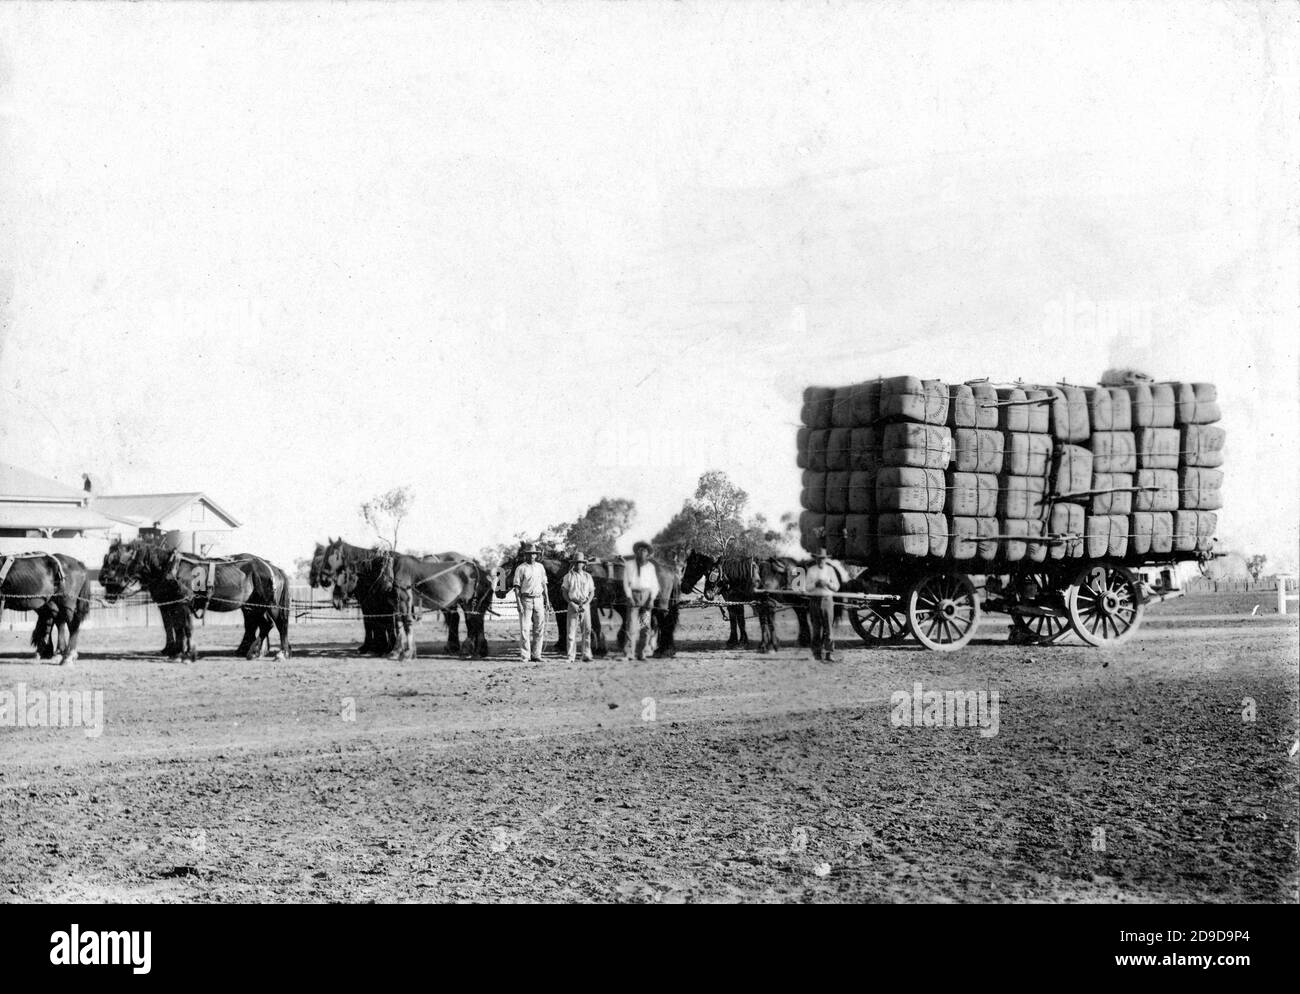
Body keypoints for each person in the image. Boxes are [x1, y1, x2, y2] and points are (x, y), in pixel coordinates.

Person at [622, 541, 660, 661]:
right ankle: (629, 653)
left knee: (645, 627)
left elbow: (655, 585)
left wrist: (651, 599)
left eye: (644, 551)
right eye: (639, 550)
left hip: (646, 596)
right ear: (636, 552)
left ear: (647, 553)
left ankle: (642, 652)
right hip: (633, 595)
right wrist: (629, 597)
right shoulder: (629, 565)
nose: (642, 552)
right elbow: (626, 583)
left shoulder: (650, 567)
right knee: (631, 626)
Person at [511, 542, 549, 662]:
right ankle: (525, 655)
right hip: (526, 600)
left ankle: (536, 654)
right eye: (529, 554)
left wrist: (547, 600)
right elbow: (516, 587)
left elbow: (544, 584)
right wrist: (518, 603)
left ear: (536, 555)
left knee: (539, 628)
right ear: (525, 555)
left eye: (533, 554)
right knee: (525, 629)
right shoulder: (521, 568)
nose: (531, 556)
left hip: (539, 599)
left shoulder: (540, 567)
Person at [804, 546, 840, 662]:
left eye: (823, 558)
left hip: (827, 601)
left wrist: (827, 584)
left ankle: (829, 653)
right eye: (819, 558)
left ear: (826, 559)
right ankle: (816, 654)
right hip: (814, 601)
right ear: (815, 559)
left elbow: (836, 587)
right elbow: (806, 587)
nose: (821, 561)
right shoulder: (811, 570)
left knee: (828, 629)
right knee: (816, 629)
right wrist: (815, 584)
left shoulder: (830, 570)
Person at [561, 552, 596, 663]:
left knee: (587, 631)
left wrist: (586, 604)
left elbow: (591, 592)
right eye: (576, 563)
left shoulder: (588, 576)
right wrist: (571, 603)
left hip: (585, 604)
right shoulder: (568, 576)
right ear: (573, 564)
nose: (578, 565)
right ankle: (571, 656)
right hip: (573, 604)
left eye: (580, 562)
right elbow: (564, 592)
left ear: (584, 564)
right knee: (571, 632)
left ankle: (586, 655)